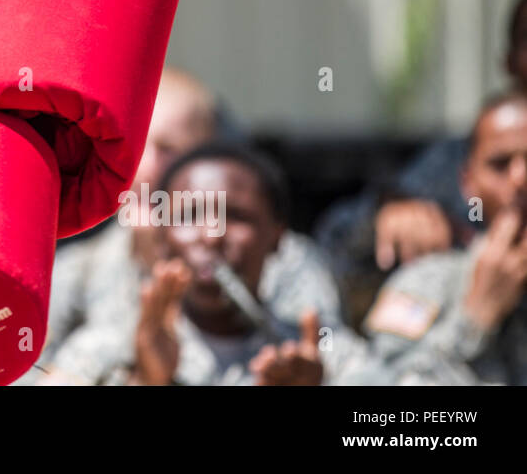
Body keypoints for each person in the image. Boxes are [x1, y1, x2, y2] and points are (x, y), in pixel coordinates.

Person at [42, 68, 342, 360]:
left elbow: (325, 353)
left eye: (168, 149)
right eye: (134, 146)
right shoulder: (80, 269)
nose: (145, 168)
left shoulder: (282, 259)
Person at [46, 143, 376, 385]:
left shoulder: (327, 358)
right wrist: (145, 380)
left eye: (236, 217)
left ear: (277, 237)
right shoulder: (106, 347)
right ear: (161, 239)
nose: (211, 236)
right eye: (190, 215)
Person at [314, 0, 527, 325]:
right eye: (502, 164)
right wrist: (388, 214)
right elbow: (335, 245)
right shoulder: (455, 159)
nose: (518, 178)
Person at [361, 89, 527, 384]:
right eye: (500, 164)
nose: (520, 179)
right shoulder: (426, 285)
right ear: (468, 182)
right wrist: (475, 320)